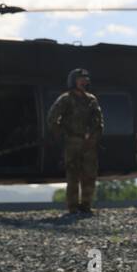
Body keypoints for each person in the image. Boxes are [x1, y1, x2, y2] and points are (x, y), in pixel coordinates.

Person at [47, 68, 103, 215]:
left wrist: (94, 137)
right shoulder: (65, 99)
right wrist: (63, 135)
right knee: (73, 176)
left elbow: (99, 121)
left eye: (86, 79)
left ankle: (86, 205)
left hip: (89, 143)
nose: (84, 81)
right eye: (81, 79)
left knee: (90, 175)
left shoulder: (92, 99)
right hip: (72, 142)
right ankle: (72, 207)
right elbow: (52, 119)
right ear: (73, 81)